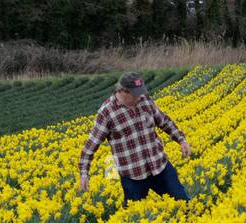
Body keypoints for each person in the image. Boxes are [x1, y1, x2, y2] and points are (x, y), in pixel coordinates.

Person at [78, 72, 191, 203]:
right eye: (136, 93)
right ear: (124, 91)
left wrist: (181, 140)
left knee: (184, 203)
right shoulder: (107, 112)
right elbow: (90, 146)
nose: (140, 96)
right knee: (133, 216)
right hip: (133, 176)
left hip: (159, 165)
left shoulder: (145, 99)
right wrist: (84, 174)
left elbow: (164, 121)